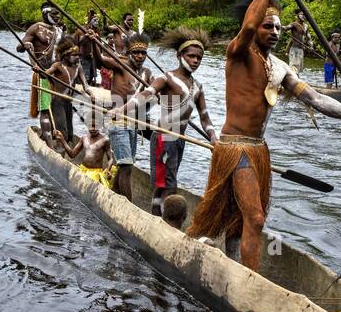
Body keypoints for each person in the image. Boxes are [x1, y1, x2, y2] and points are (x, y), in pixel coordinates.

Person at [187, 0, 341, 272]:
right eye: (268, 27)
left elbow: (317, 99)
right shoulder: (238, 52)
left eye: (278, 28)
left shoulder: (277, 67)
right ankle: (250, 282)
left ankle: (232, 265)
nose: (274, 32)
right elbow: (249, 22)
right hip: (236, 148)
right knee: (256, 217)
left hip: (259, 150)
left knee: (241, 218)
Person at [114, 27, 218, 216]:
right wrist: (123, 109)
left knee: (163, 186)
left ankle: (155, 216)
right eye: (191, 56)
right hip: (164, 138)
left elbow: (205, 118)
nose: (195, 61)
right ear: (179, 55)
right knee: (169, 186)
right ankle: (167, 222)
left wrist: (213, 138)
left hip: (179, 140)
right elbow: (146, 94)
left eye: (199, 58)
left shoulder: (198, 87)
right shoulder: (167, 78)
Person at [101, 33, 153, 200]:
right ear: (130, 53)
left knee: (126, 165)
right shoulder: (121, 65)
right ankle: (128, 204)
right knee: (126, 165)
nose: (139, 56)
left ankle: (114, 194)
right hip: (118, 121)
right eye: (136, 53)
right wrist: (94, 43)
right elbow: (100, 60)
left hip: (134, 123)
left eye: (143, 53)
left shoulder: (147, 73)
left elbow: (153, 91)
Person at [20, 2, 63, 144]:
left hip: (56, 74)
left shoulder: (59, 31)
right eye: (54, 14)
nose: (57, 17)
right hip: (42, 73)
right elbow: (19, 47)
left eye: (58, 14)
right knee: (45, 108)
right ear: (45, 13)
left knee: (56, 108)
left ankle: (56, 135)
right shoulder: (35, 28)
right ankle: (48, 141)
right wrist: (26, 45)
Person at [54, 114, 114, 189]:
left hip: (95, 172)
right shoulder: (84, 138)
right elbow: (72, 154)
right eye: (90, 126)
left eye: (96, 126)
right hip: (83, 169)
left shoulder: (105, 140)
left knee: (87, 187)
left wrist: (108, 169)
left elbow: (111, 158)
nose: (93, 128)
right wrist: (62, 139)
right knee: (72, 186)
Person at [78, 13, 101, 91]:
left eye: (97, 20)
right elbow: (80, 42)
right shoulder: (83, 29)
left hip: (93, 58)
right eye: (94, 20)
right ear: (89, 20)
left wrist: (96, 37)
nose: (96, 22)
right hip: (84, 58)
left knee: (92, 78)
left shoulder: (97, 30)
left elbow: (99, 44)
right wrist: (86, 35)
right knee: (84, 78)